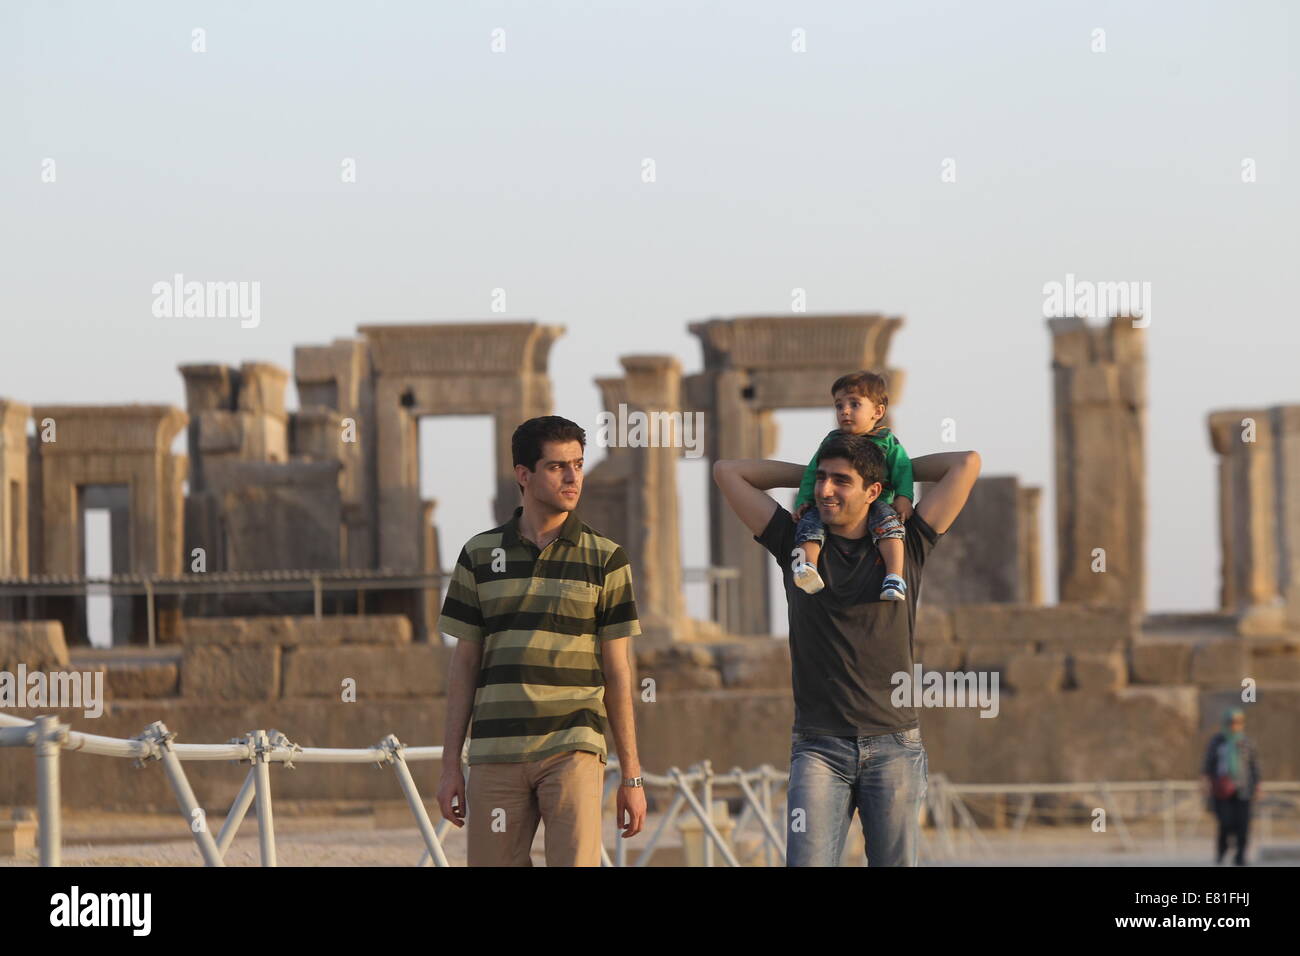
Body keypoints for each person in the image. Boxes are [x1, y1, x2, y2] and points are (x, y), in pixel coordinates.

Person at [713, 434, 980, 866]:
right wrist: (807, 470)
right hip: (819, 747)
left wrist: (893, 469)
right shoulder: (794, 543)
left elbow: (966, 462)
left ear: (873, 491)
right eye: (821, 479)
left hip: (894, 745)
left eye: (841, 480)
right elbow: (728, 471)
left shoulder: (907, 545)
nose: (825, 490)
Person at [435, 415, 647, 866]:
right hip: (494, 752)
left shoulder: (607, 559)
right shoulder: (477, 555)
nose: (573, 478)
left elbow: (618, 672)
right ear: (523, 475)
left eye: (578, 464)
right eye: (557, 467)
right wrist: (450, 764)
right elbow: (465, 663)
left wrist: (632, 777)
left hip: (572, 747)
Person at [791, 371, 913, 600]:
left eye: (854, 404)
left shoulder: (888, 441)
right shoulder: (831, 441)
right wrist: (804, 500)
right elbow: (811, 473)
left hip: (879, 502)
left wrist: (904, 496)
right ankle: (808, 568)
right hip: (839, 507)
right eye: (839, 406)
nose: (844, 411)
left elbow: (904, 469)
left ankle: (894, 577)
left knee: (892, 530)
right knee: (809, 526)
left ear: (878, 412)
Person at [1202, 707, 1262, 866]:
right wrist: (1205, 782)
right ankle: (1221, 852)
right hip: (1221, 790)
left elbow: (1254, 766)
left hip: (1243, 789)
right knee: (1225, 822)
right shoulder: (1217, 742)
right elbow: (1208, 764)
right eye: (1231, 722)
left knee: (1243, 824)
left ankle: (1240, 856)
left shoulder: (1247, 742)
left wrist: (1257, 786)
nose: (1234, 726)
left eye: (1238, 722)